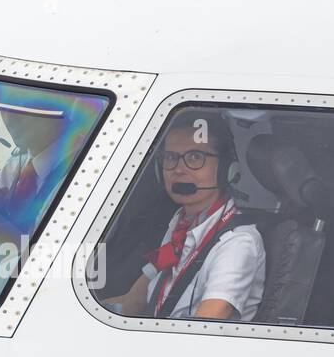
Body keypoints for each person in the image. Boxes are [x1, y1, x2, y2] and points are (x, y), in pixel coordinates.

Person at [104, 109, 265, 321]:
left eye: (195, 157)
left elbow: (208, 323)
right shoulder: (181, 223)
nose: (178, 169)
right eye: (171, 158)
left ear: (226, 168)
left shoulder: (237, 243)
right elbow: (134, 302)